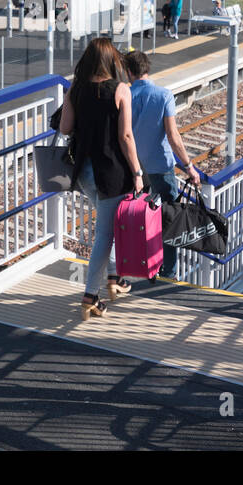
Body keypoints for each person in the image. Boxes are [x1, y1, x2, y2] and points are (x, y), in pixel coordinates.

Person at [57, 37, 145, 320]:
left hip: (84, 172)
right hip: (111, 174)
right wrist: (138, 173)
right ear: (111, 62)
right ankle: (90, 297)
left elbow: (65, 127)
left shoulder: (76, 89)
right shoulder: (121, 90)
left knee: (108, 225)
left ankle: (114, 278)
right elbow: (126, 136)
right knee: (105, 236)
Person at [123, 50, 202, 278]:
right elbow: (173, 136)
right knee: (168, 221)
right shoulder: (163, 95)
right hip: (161, 168)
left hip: (134, 170)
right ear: (147, 69)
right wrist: (189, 167)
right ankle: (169, 272)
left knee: (138, 219)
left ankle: (141, 266)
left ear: (129, 72)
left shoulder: (125, 96)